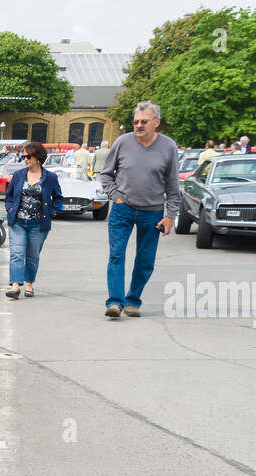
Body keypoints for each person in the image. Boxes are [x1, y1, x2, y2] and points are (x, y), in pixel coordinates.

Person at [97, 101, 180, 319]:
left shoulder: (168, 146)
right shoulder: (122, 142)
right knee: (116, 255)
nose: (139, 125)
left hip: (152, 212)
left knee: (145, 260)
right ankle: (115, 302)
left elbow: (173, 186)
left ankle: (133, 301)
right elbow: (106, 174)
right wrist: (115, 197)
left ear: (157, 122)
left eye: (144, 121)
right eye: (136, 122)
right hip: (122, 209)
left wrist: (170, 215)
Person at [2, 141, 63, 299]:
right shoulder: (18, 175)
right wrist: (9, 209)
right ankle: (15, 286)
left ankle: (29, 283)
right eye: (24, 156)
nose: (25, 159)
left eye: (28, 156)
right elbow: (9, 196)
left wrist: (52, 212)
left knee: (33, 256)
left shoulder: (50, 177)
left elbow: (58, 198)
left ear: (38, 157)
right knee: (16, 254)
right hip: (18, 222)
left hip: (38, 224)